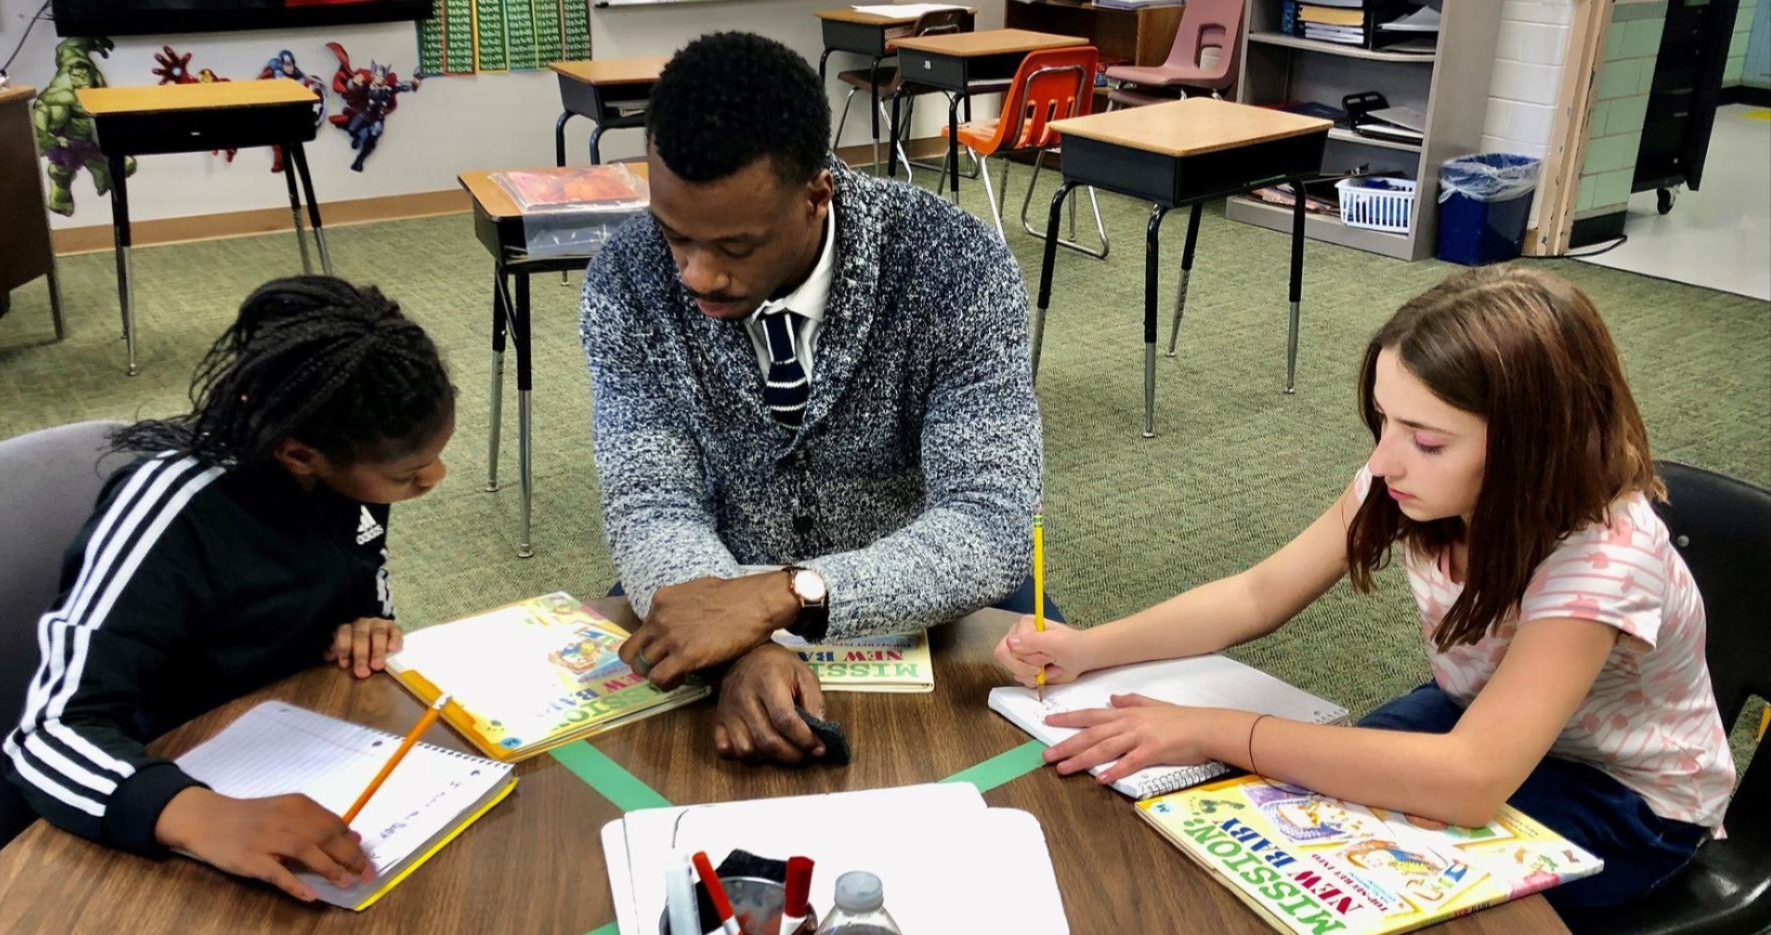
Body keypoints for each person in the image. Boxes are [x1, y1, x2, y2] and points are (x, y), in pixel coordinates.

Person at [994, 267, 1734, 909]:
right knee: (1283, 815)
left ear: (1530, 444)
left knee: (1366, 874)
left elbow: (1471, 778)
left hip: (1625, 798)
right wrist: (1090, 646)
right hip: (1476, 717)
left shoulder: (1605, 557)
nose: (1383, 461)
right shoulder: (1409, 485)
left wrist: (1210, 727)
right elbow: (1259, 592)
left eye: (1427, 439)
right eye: (1384, 420)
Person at [581, 32, 1043, 767]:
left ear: (816, 192)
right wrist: (738, 644)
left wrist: (792, 594)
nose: (696, 274)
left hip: (922, 592)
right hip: (708, 583)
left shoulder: (955, 264)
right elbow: (651, 504)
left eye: (734, 248)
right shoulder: (627, 279)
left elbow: (988, 522)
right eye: (676, 236)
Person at [2, 276, 455, 902]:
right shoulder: (168, 513)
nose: (435, 477)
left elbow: (360, 570)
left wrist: (366, 619)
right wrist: (198, 815)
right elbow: (45, 736)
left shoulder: (348, 474)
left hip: (302, 736)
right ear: (300, 455)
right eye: (408, 473)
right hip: (175, 776)